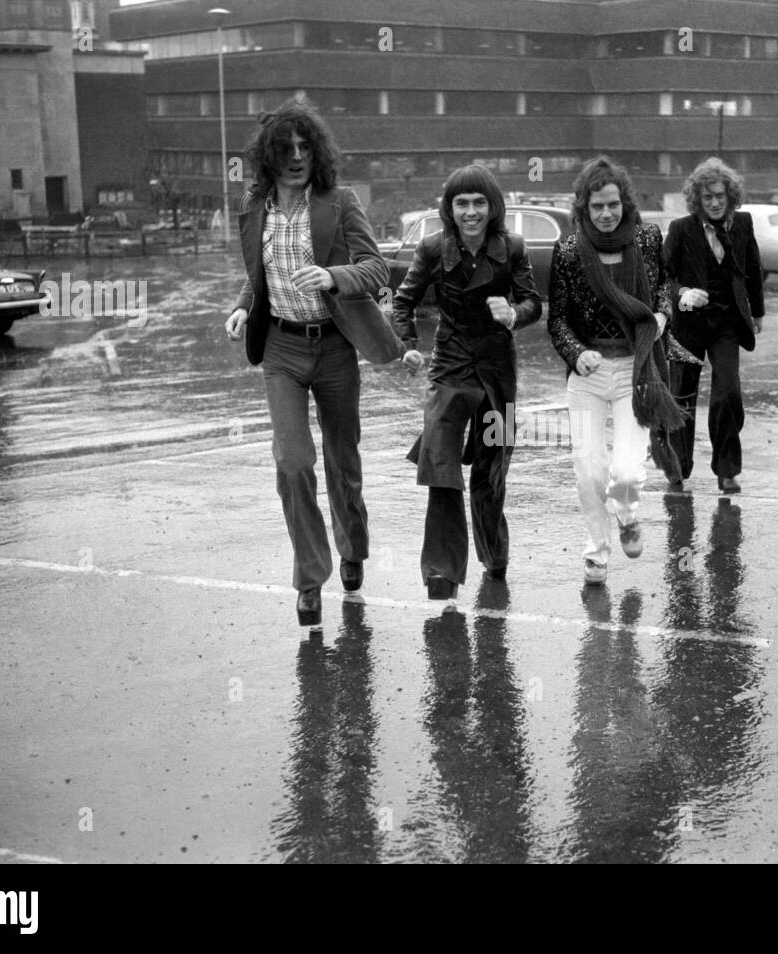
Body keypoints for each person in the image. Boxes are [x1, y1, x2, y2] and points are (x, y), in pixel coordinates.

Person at [224, 100, 402, 628]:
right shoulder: (256, 208)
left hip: (333, 348)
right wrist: (241, 305)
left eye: (306, 148)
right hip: (280, 348)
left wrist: (333, 277)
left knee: (342, 460)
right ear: (269, 156)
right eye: (286, 149)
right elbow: (262, 272)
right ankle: (309, 578)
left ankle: (352, 546)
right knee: (294, 462)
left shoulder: (339, 202)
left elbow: (376, 269)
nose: (297, 157)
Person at [390, 164, 542, 600]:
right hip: (449, 368)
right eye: (462, 203)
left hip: (497, 372)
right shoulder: (434, 248)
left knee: (491, 471)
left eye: (479, 203)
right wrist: (407, 344)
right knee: (440, 464)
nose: (471, 212)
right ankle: (442, 570)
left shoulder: (511, 246)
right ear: (450, 208)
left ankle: (494, 555)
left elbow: (532, 300)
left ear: (492, 207)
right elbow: (404, 301)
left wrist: (514, 315)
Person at [547, 155, 694, 585]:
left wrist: (663, 316)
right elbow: (557, 320)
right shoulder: (569, 251)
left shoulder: (648, 239)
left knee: (626, 472)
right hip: (588, 374)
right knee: (588, 470)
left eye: (613, 205)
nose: (606, 214)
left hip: (638, 366)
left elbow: (665, 287)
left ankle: (628, 516)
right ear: (583, 208)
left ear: (625, 203)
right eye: (597, 207)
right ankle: (596, 551)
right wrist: (576, 353)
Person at [661, 156, 764, 494]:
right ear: (697, 200)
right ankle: (677, 469)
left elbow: (752, 270)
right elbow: (663, 278)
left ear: (730, 196)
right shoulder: (681, 229)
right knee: (682, 399)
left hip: (726, 324)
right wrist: (682, 294)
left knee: (728, 392)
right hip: (688, 325)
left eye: (720, 195)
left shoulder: (743, 224)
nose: (716, 202)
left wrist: (757, 312)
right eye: (708, 197)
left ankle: (727, 470)